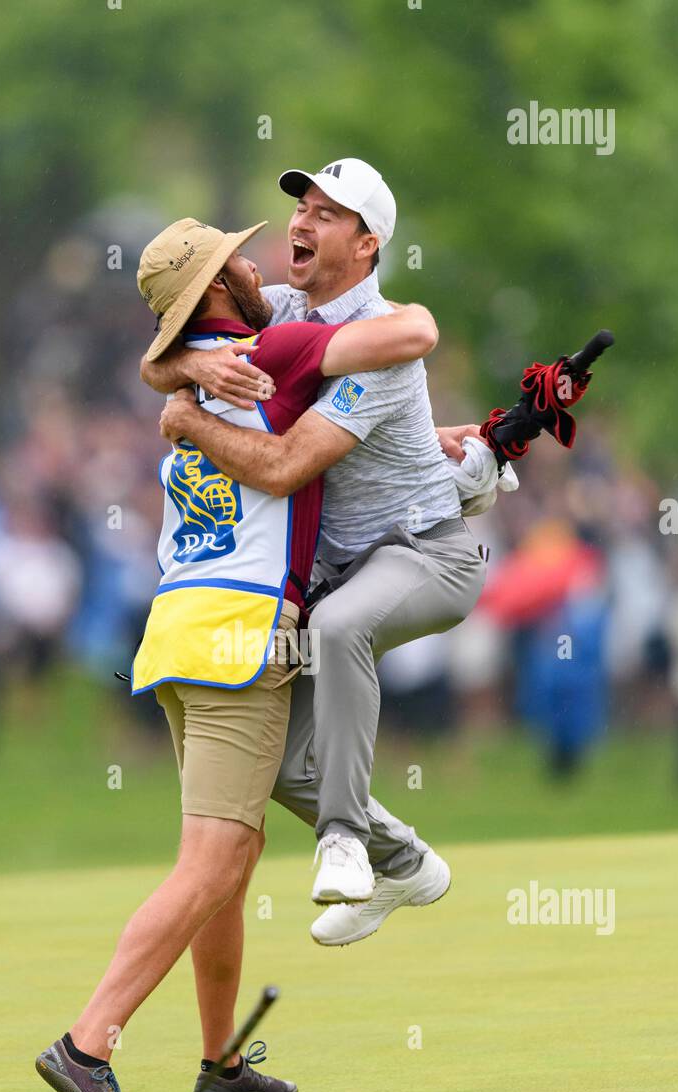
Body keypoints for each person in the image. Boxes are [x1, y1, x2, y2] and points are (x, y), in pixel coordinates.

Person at [36, 216, 442, 1092]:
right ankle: (88, 1042)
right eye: (236, 260)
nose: (257, 264)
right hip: (242, 638)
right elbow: (412, 332)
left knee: (234, 853)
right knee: (215, 857)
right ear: (216, 290)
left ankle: (219, 1062)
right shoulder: (282, 348)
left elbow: (163, 371)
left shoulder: (196, 370)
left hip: (177, 628)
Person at [148, 158, 486, 945]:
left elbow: (288, 464)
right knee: (284, 763)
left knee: (338, 633)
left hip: (426, 554)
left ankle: (342, 839)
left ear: (367, 244)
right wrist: (189, 364)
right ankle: (402, 863)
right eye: (302, 206)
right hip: (340, 574)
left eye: (326, 214)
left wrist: (190, 419)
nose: (300, 222)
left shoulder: (393, 341)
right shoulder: (286, 308)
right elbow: (167, 349)